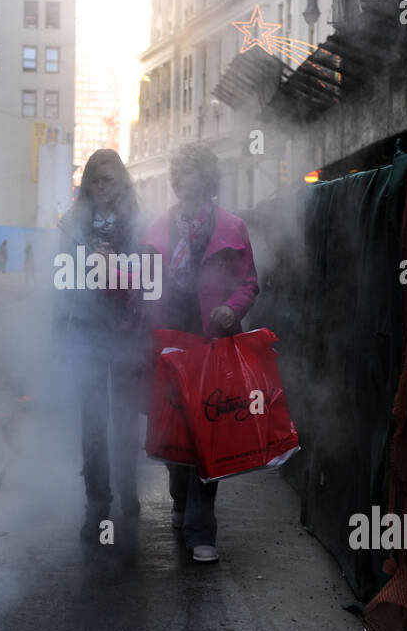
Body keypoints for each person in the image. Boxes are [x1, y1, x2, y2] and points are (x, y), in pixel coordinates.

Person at [140, 143, 259, 563]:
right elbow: (144, 281)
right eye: (175, 171)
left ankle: (201, 528)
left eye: (186, 171)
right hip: (169, 339)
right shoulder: (158, 227)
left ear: (205, 177)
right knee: (176, 428)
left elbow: (249, 282)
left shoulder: (232, 227)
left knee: (208, 430)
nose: (177, 179)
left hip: (212, 338)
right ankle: (178, 497)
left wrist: (232, 308)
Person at [56, 148, 147, 547]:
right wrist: (86, 264)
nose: (101, 188)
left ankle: (128, 488)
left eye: (107, 180)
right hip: (87, 331)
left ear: (120, 182)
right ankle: (97, 503)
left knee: (126, 419)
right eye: (95, 181)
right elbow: (60, 280)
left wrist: (118, 267)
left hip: (126, 330)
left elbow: (150, 275)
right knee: (92, 421)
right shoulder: (72, 224)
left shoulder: (139, 223)